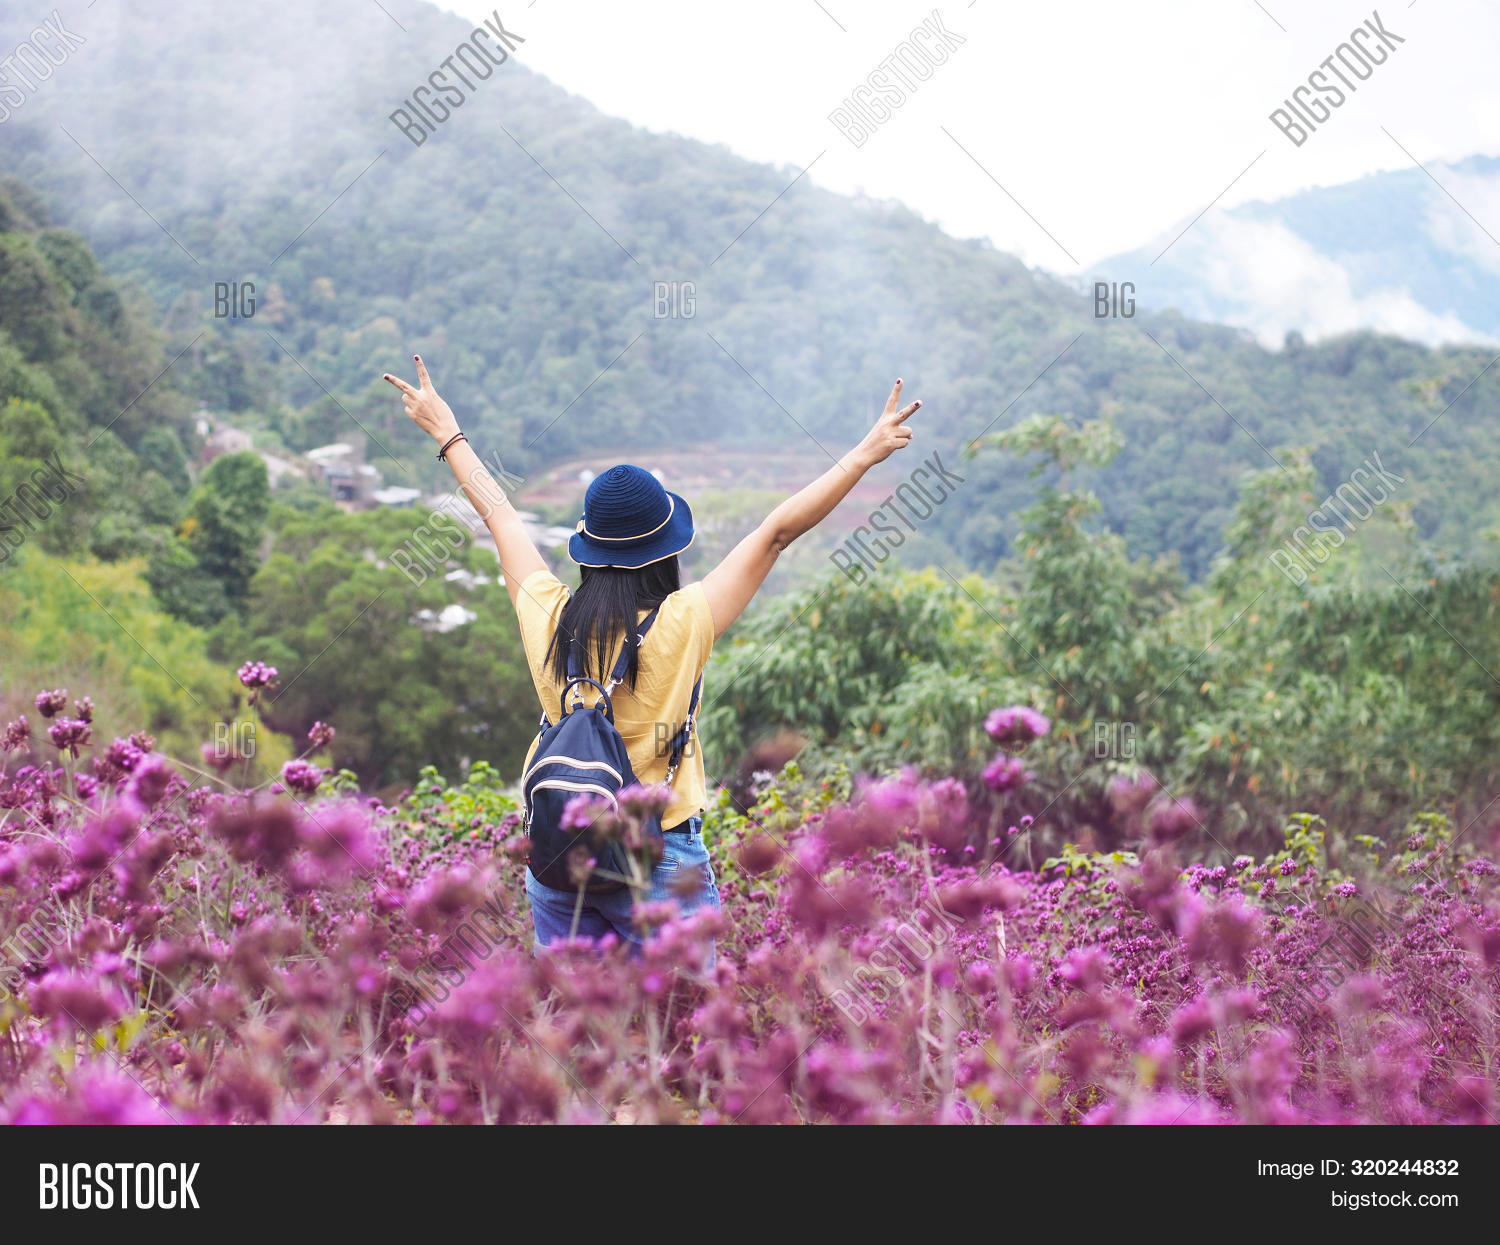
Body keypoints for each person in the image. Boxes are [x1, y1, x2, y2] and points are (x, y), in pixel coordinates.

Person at [382, 356, 921, 955]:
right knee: (682, 1011)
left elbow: (496, 513)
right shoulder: (685, 620)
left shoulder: (545, 612)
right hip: (659, 855)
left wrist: (447, 431)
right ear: (665, 551)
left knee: (574, 1010)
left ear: (588, 547)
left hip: (559, 855)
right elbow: (775, 533)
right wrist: (864, 455)